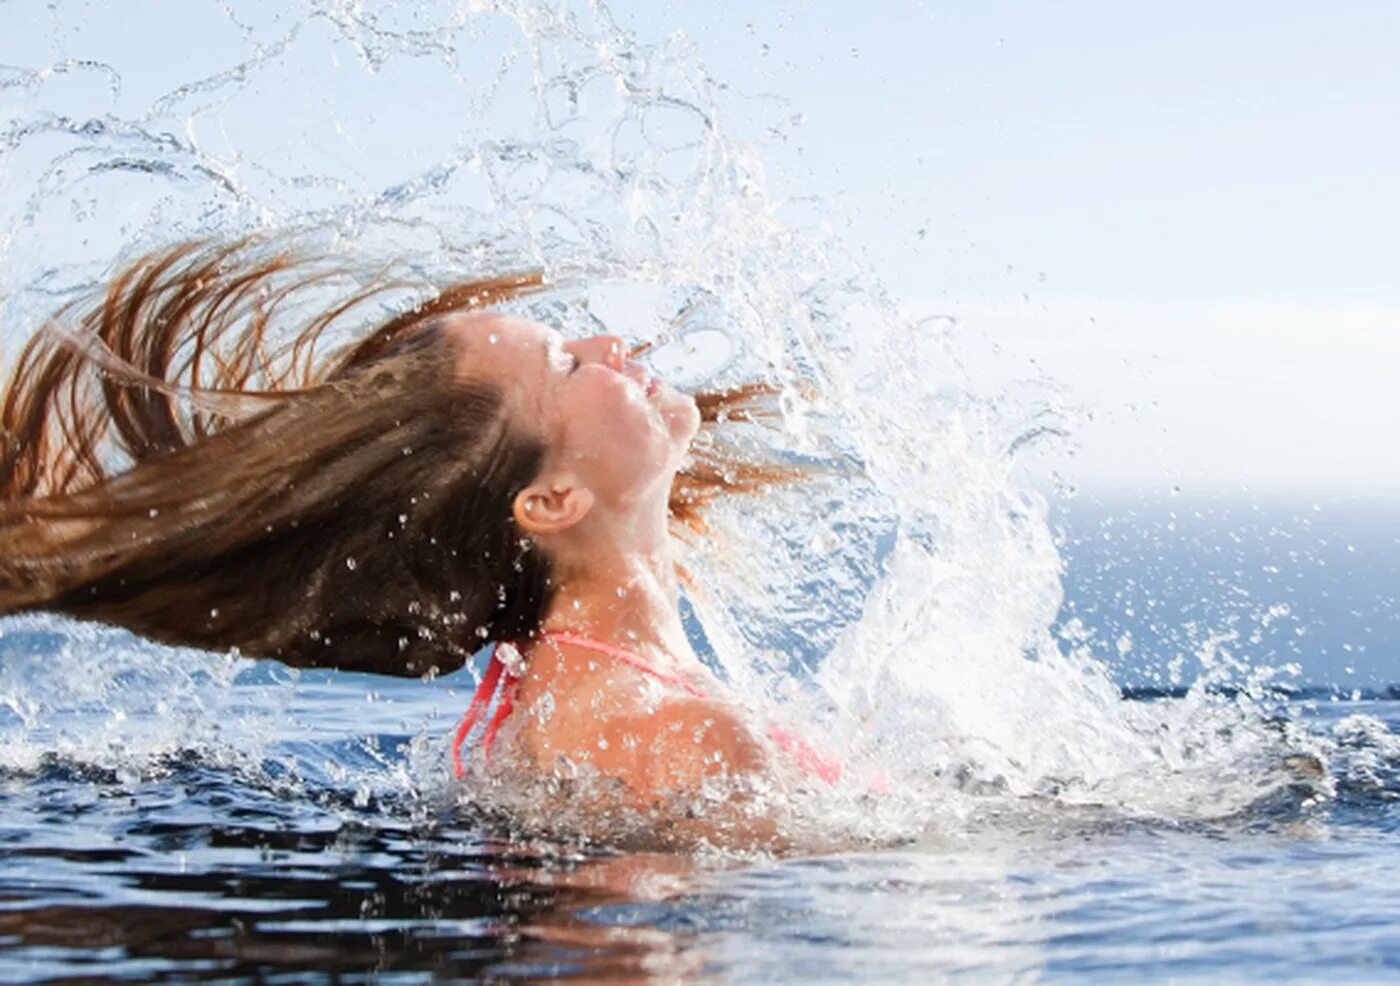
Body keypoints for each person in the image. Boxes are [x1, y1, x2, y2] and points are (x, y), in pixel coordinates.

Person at [0, 237, 833, 849]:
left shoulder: (575, 694)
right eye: (570, 369)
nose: (610, 346)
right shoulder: (673, 738)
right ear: (549, 500)